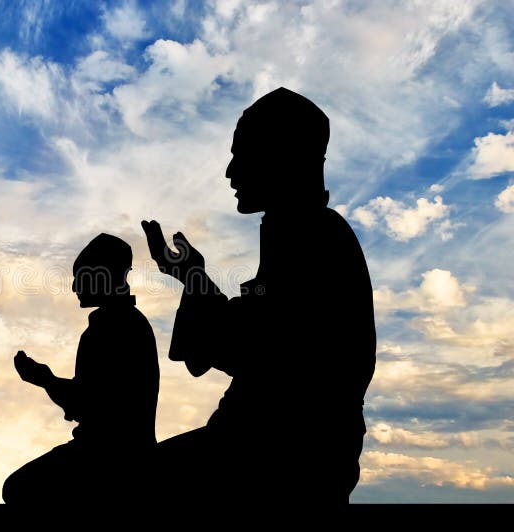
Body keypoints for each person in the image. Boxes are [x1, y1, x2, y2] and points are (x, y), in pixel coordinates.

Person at [142, 87, 376, 504]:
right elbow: (248, 334)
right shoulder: (300, 235)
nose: (231, 173)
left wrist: (192, 275)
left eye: (243, 155)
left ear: (283, 157)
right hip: (267, 444)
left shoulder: (314, 238)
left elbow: (255, 349)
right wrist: (189, 273)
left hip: (285, 456)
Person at [3, 233, 160, 504]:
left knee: (19, 488)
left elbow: (90, 403)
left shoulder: (112, 328)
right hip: (114, 451)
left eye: (81, 276)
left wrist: (45, 380)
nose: (75, 285)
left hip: (108, 456)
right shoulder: (125, 323)